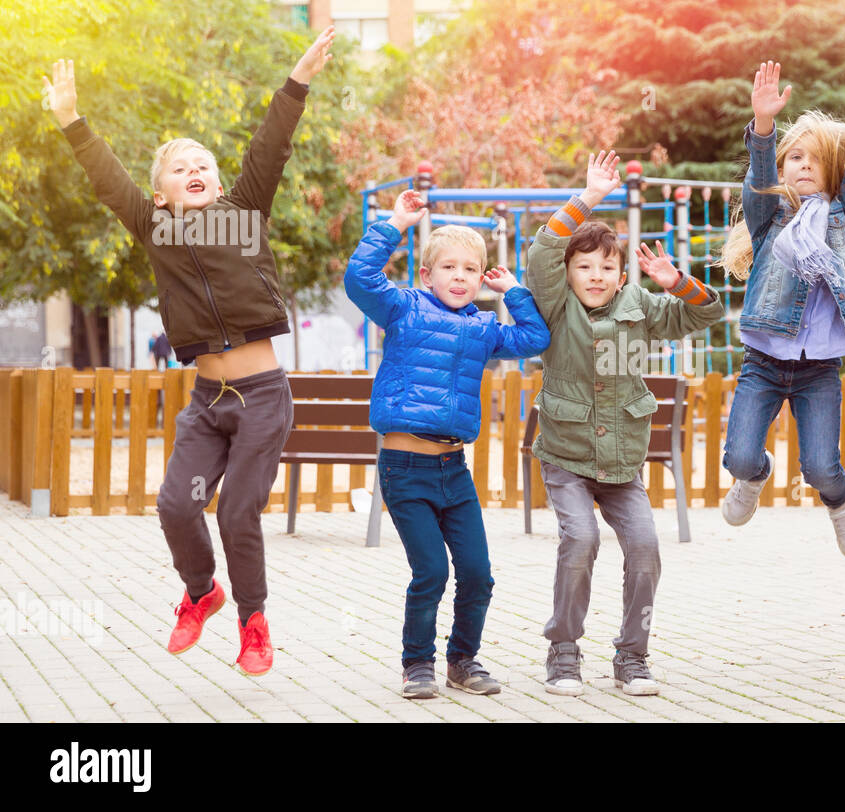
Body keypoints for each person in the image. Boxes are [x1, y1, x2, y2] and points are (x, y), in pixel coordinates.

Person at [43, 27, 337, 675]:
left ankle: (253, 621)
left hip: (261, 400)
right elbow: (107, 179)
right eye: (179, 168)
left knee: (236, 512)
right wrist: (71, 120)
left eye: (202, 162)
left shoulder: (245, 209)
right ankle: (202, 593)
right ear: (161, 195)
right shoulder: (155, 230)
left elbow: (271, 145)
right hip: (209, 403)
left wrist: (298, 81)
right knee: (179, 503)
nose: (195, 171)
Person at [528, 151, 724, 696]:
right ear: (569, 273)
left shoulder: (640, 303)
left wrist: (675, 280)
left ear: (621, 273)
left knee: (645, 550)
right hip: (566, 457)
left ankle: (632, 657)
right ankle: (563, 650)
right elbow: (542, 248)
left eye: (607, 267)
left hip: (622, 465)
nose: (595, 276)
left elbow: (703, 314)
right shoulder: (555, 303)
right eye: (584, 267)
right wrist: (588, 196)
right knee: (581, 540)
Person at [345, 189, 550, 699]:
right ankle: (418, 664)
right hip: (403, 467)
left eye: (471, 270)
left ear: (481, 279)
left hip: (453, 471)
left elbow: (534, 339)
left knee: (478, 574)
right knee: (431, 571)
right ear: (427, 275)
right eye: (449, 267)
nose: (460, 277)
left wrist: (515, 293)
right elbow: (360, 279)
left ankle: (463, 659)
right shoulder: (402, 309)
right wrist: (395, 222)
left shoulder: (484, 328)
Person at [716, 31, 845, 558]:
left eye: (816, 159)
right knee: (741, 457)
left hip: (820, 368)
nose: (805, 165)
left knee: (820, 465)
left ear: (832, 172)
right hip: (764, 360)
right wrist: (765, 125)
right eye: (796, 157)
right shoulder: (769, 217)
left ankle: (841, 507)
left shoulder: (843, 214)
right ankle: (753, 479)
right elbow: (760, 175)